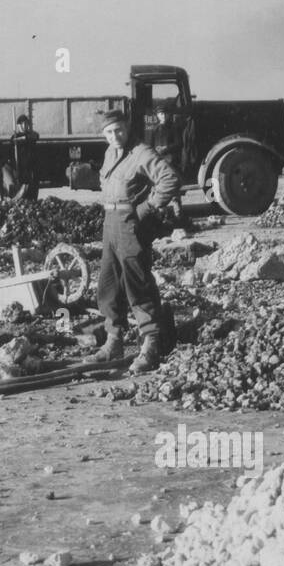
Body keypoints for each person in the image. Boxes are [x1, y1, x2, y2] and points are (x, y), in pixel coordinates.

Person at [91, 109, 180, 374]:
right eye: (109, 132)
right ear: (103, 135)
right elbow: (104, 181)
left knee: (136, 283)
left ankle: (150, 344)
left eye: (119, 130)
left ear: (127, 128)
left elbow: (169, 178)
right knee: (108, 283)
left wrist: (147, 208)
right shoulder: (109, 154)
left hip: (131, 223)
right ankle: (114, 340)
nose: (115, 136)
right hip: (110, 222)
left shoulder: (141, 152)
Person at [10, 114, 40, 200]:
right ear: (18, 125)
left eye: (26, 124)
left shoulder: (32, 134)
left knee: (33, 187)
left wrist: (22, 138)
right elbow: (12, 150)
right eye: (22, 124)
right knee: (23, 189)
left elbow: (36, 136)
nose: (24, 126)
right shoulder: (14, 137)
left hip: (32, 167)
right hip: (21, 168)